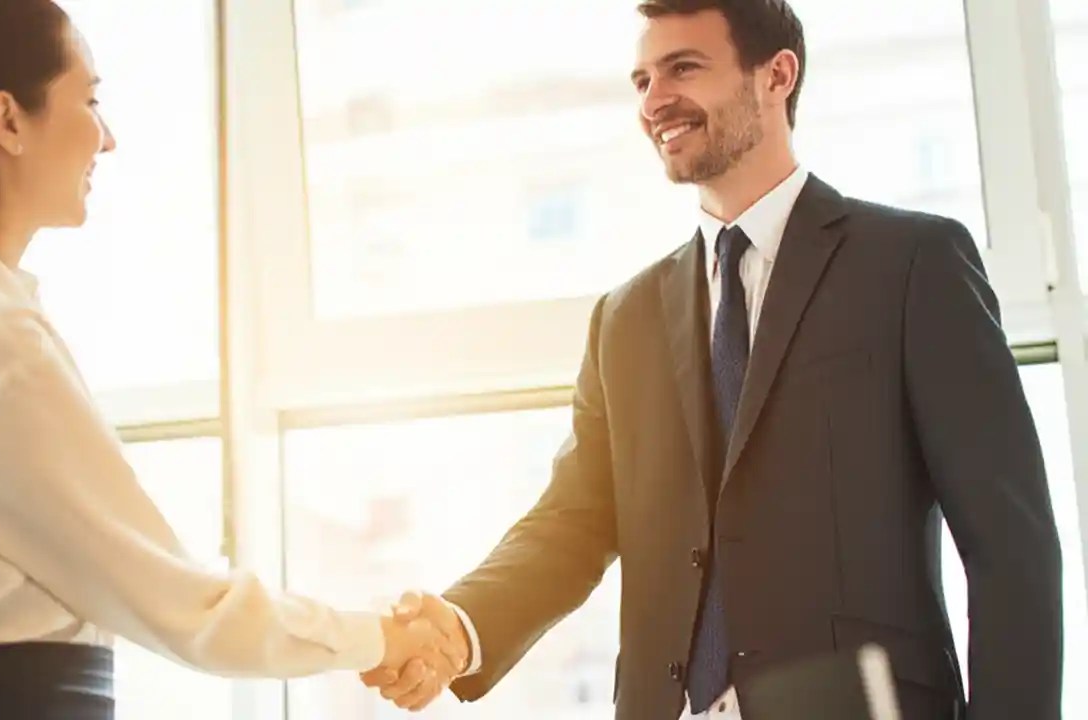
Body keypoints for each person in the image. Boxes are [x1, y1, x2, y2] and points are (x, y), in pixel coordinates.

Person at [362, 1, 1063, 718]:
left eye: (683, 69)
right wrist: (459, 626)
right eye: (640, 80)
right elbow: (572, 523)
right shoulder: (624, 319)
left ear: (777, 75)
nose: (654, 99)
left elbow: (1011, 546)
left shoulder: (910, 265)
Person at [0, 1, 460, 718]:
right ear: (7, 121)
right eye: (90, 100)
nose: (109, 139)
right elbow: (184, 604)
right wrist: (379, 636)